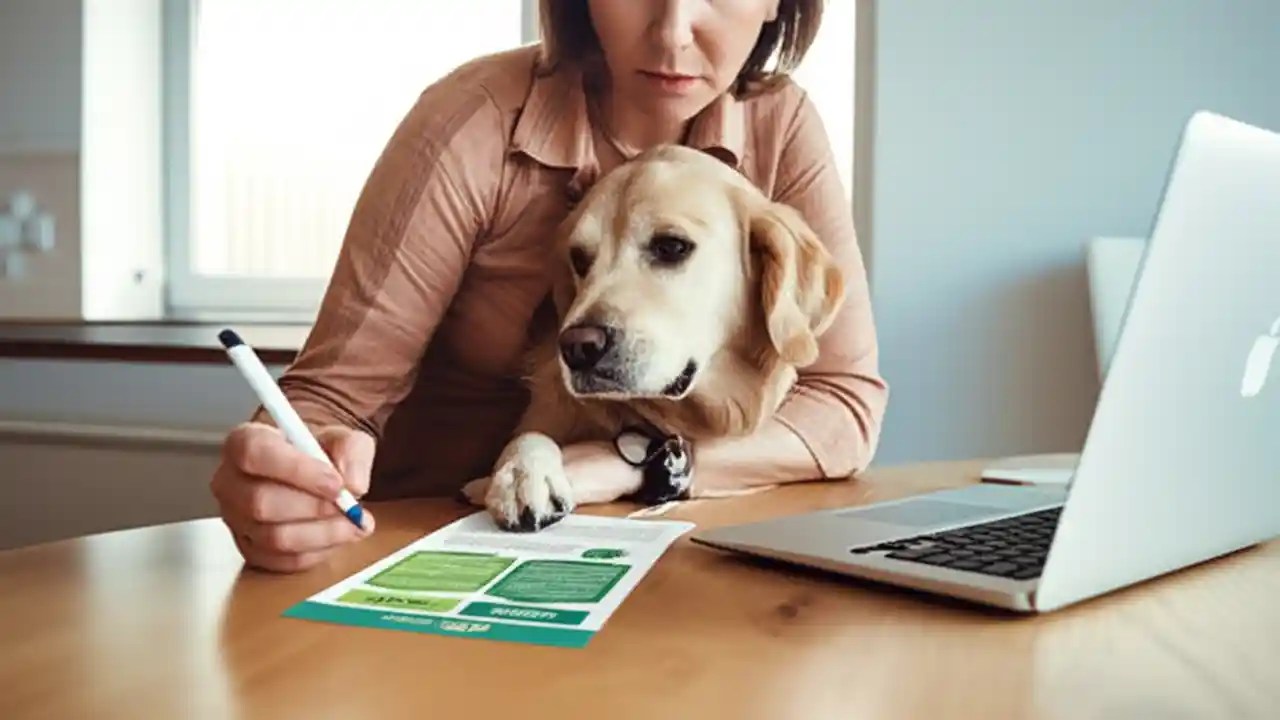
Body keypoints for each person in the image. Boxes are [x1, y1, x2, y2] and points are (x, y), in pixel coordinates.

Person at [209, 0, 889, 573]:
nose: (673, 31)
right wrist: (278, 483)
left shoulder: (779, 123)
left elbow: (843, 404)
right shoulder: (472, 121)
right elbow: (333, 401)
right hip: (420, 544)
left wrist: (637, 466)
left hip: (659, 547)